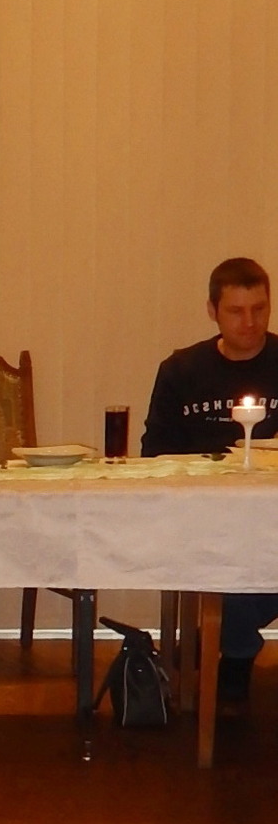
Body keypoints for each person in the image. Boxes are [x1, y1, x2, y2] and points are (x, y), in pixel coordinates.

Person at [142, 256, 278, 702]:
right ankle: (231, 651)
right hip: (203, 516)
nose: (250, 322)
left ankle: (227, 646)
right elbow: (153, 452)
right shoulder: (182, 370)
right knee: (232, 562)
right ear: (212, 310)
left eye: (260, 309)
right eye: (237, 311)